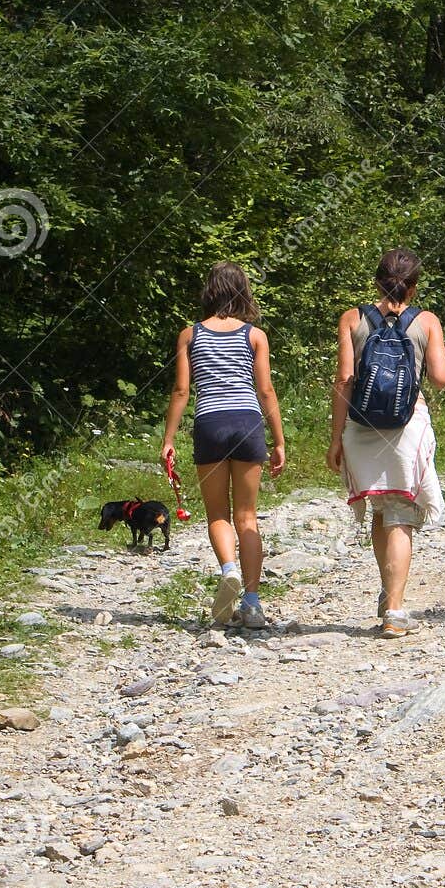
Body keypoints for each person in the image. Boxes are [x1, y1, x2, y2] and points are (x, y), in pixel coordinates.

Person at [327, 249, 445, 636]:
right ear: (414, 286)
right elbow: (441, 377)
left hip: (361, 426)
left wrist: (335, 439)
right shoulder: (426, 321)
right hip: (406, 424)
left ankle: (388, 591)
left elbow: (345, 379)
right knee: (400, 512)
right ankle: (395, 610)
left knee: (381, 509)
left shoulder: (352, 318)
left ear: (377, 280)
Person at [161, 262, 286, 629]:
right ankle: (251, 602)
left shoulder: (190, 335)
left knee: (218, 515)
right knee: (247, 516)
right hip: (247, 423)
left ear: (210, 292)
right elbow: (265, 391)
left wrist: (168, 439)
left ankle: (228, 569)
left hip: (210, 424)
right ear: (242, 291)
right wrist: (278, 440)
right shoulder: (255, 336)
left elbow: (182, 390)